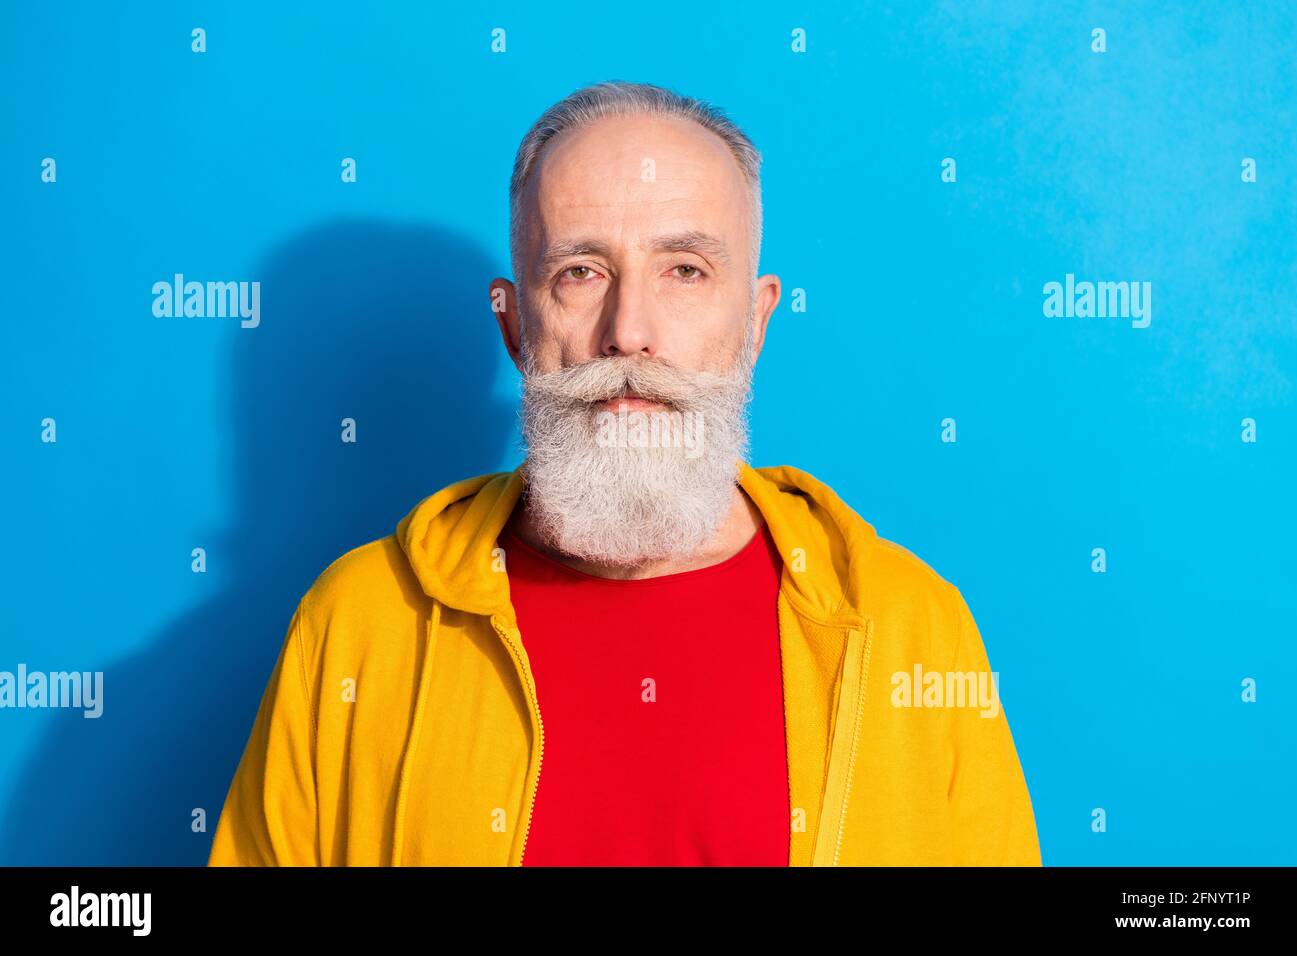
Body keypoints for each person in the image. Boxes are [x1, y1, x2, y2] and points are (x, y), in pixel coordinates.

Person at [208, 80, 1041, 866]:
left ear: (755, 323)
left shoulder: (912, 627)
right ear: (515, 325)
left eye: (685, 270)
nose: (629, 332)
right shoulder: (357, 626)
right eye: (580, 272)